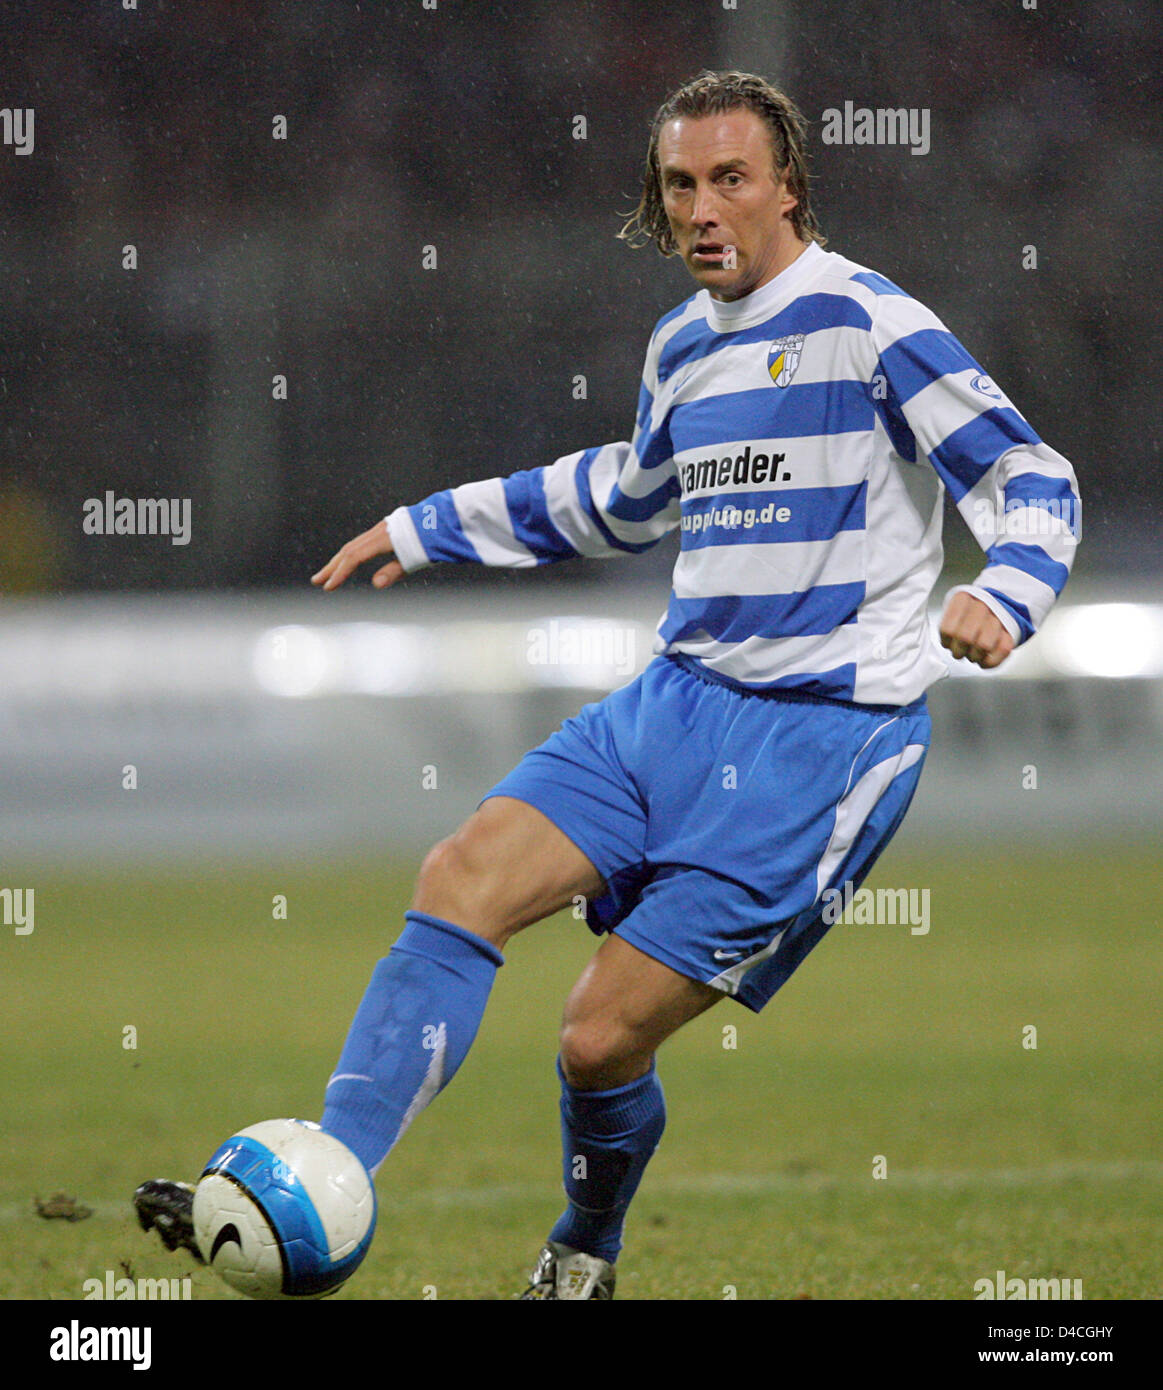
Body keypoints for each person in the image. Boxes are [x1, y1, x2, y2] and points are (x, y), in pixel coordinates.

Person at [136, 69, 1080, 1299]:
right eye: (680, 184)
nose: (702, 209)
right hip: (672, 706)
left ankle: (584, 1248)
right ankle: (324, 1170)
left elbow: (1030, 475)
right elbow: (623, 499)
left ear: (788, 188)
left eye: (730, 180)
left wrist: (1001, 595)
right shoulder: (683, 345)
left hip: (819, 746)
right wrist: (426, 527)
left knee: (593, 1040)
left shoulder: (868, 323)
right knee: (460, 873)